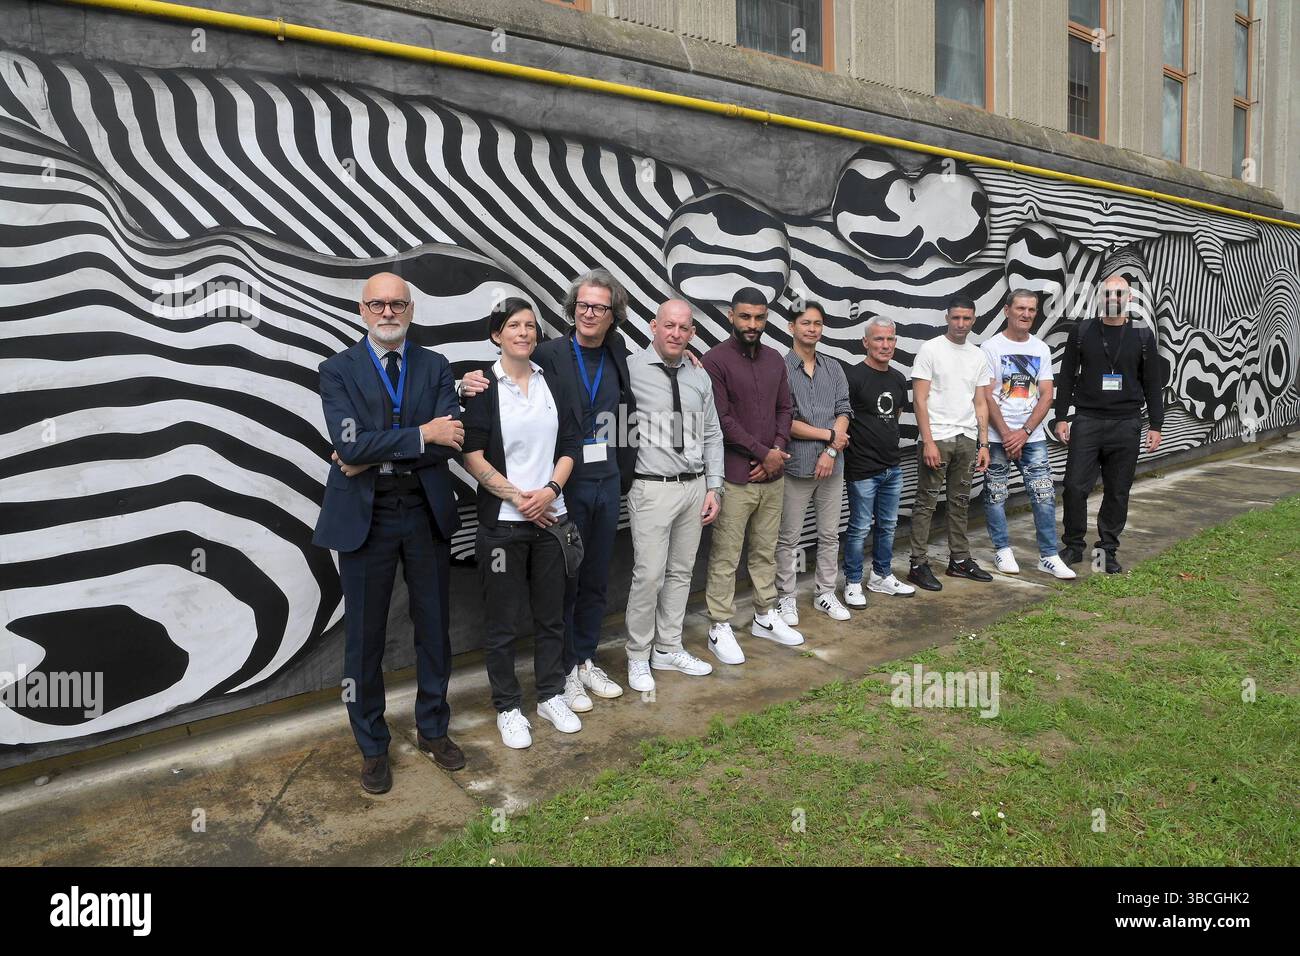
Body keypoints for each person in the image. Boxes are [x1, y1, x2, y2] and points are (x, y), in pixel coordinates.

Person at [314, 271, 466, 795]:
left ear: (410, 310)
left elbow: (452, 442)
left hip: (424, 510)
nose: (387, 313)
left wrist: (373, 450)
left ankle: (433, 729)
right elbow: (350, 445)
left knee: (434, 630)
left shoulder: (436, 366)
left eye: (397, 304)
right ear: (362, 310)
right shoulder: (336, 370)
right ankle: (373, 747)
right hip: (367, 516)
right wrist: (420, 434)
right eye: (377, 304)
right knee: (364, 640)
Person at [463, 269, 637, 713]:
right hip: (561, 491)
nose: (589, 313)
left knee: (596, 576)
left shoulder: (617, 349)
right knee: (564, 586)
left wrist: (689, 355)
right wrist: (462, 382)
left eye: (599, 307)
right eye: (582, 305)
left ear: (612, 314)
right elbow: (500, 363)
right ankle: (560, 675)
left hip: (602, 480)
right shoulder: (549, 353)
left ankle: (585, 659)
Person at [460, 298, 583, 749]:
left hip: (552, 519)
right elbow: (470, 454)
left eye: (531, 326)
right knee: (503, 622)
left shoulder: (552, 383)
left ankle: (551, 694)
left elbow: (571, 443)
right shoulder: (479, 387)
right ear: (497, 335)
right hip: (503, 527)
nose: (524, 332)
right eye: (514, 326)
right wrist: (518, 498)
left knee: (552, 617)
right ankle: (508, 707)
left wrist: (548, 492)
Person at [622, 300, 724, 692]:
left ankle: (668, 647)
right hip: (651, 487)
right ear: (653, 326)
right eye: (669, 326)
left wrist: (713, 486)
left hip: (694, 487)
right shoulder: (629, 369)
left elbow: (713, 433)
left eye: (684, 328)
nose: (676, 333)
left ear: (692, 333)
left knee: (681, 572)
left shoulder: (699, 375)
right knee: (648, 575)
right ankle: (637, 655)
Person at [702, 287, 802, 664]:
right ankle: (719, 626)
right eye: (745, 317)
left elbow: (785, 408)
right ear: (731, 316)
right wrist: (765, 453)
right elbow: (722, 421)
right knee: (726, 557)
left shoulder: (776, 359)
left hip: (772, 478)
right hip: (735, 478)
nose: (753, 324)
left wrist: (775, 451)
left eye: (759, 318)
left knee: (764, 552)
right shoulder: (715, 361)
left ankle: (764, 615)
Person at [1053, 274, 1164, 573]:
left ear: (1129, 298)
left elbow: (1153, 383)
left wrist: (1156, 424)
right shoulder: (1083, 331)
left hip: (1126, 423)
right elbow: (1066, 378)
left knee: (1118, 490)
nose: (1113, 299)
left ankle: (1107, 550)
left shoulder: (1142, 335)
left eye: (1119, 294)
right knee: (1075, 487)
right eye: (1108, 294)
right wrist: (1061, 416)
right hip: (1087, 420)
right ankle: (1074, 546)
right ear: (1100, 297)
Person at [981, 290, 1076, 579]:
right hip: (999, 437)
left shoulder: (1041, 349)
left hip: (1031, 437)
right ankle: (1002, 550)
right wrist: (1007, 433)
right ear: (1007, 310)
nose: (1026, 314)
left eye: (1031, 310)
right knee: (996, 494)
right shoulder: (991, 347)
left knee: (1044, 495)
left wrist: (1023, 433)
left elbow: (1047, 396)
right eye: (1020, 308)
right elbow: (986, 395)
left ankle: (1049, 555)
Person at [908, 295, 994, 591]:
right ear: (947, 318)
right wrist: (928, 441)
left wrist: (984, 444)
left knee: (960, 503)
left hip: (967, 439)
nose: (960, 323)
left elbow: (981, 402)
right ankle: (918, 564)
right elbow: (919, 399)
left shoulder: (978, 355)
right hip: (938, 439)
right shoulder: (930, 349)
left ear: (973, 320)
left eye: (966, 318)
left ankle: (959, 560)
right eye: (955, 317)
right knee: (926, 504)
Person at [775, 302, 853, 624]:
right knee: (788, 537)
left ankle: (825, 593)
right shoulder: (778, 369)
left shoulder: (833, 367)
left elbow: (845, 411)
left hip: (832, 467)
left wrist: (832, 450)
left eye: (817, 323)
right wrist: (829, 436)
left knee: (830, 534)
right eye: (805, 323)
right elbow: (784, 420)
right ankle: (785, 598)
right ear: (792, 327)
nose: (812, 329)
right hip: (795, 466)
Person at [841, 316, 916, 608]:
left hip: (892, 467)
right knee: (859, 527)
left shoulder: (898, 378)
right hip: (862, 469)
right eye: (878, 339)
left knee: (887, 524)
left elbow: (895, 416)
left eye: (890, 339)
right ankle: (852, 582)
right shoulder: (854, 377)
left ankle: (881, 576)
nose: (885, 345)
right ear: (866, 342)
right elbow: (844, 419)